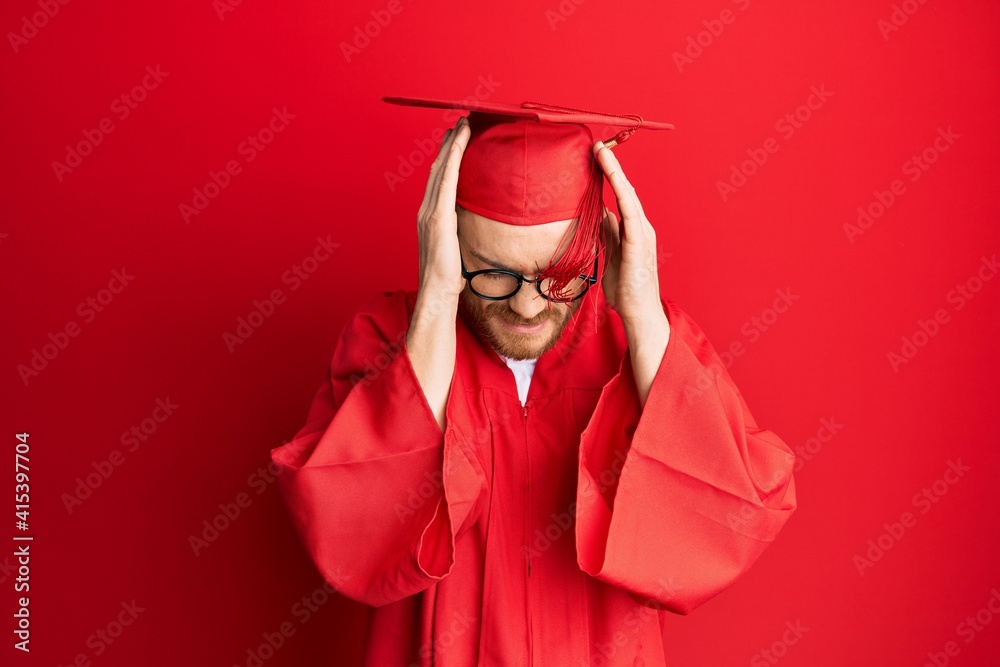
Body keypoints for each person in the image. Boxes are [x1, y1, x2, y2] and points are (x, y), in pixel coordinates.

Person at [271, 97, 797, 666]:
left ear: (598, 245)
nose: (527, 306)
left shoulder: (643, 345)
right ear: (447, 242)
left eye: (560, 274)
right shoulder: (388, 337)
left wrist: (644, 317)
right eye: (493, 271)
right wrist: (436, 302)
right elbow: (349, 532)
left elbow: (734, 513)